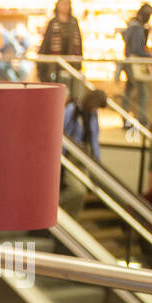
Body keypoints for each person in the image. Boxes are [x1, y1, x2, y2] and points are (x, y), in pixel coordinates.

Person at [60, 88, 106, 218]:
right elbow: (61, 131)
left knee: (82, 192)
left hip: (85, 156)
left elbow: (94, 138)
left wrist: (97, 160)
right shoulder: (73, 110)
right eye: (96, 106)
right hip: (70, 156)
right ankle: (56, 207)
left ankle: (72, 220)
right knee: (77, 191)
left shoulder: (93, 114)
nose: (95, 109)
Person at [39, 0, 82, 93]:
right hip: (55, 66)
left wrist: (78, 62)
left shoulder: (74, 22)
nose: (65, 6)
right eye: (62, 3)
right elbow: (45, 44)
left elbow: (79, 43)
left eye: (67, 4)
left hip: (71, 64)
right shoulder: (53, 23)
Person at [122, 3, 152, 125]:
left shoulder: (133, 26)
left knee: (129, 91)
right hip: (135, 64)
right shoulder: (136, 28)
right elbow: (136, 48)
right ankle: (142, 120)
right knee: (142, 93)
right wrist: (149, 55)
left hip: (131, 62)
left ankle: (125, 118)